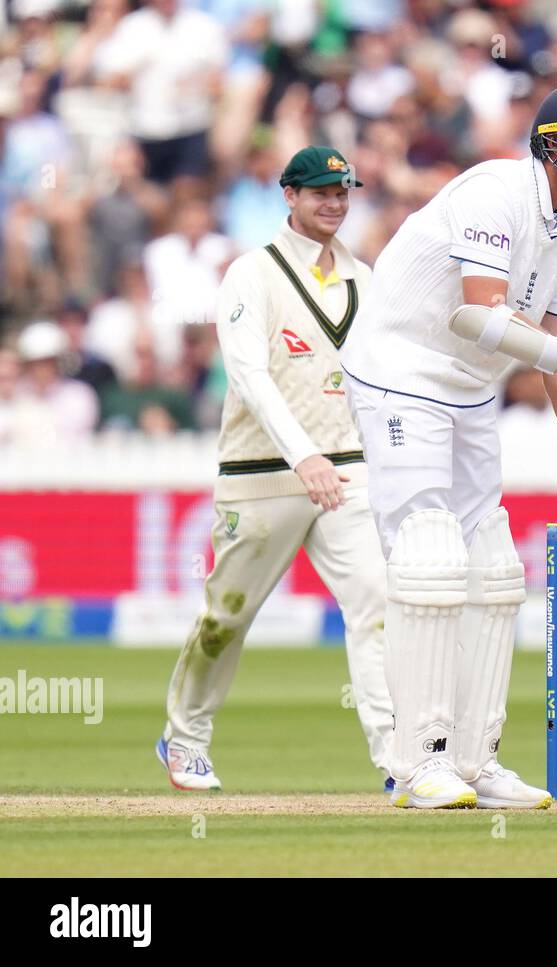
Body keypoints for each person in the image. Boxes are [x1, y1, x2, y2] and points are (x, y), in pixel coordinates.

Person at [341, 82, 557, 810]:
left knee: (492, 568)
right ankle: (416, 760)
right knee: (430, 556)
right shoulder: (495, 191)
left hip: (467, 391)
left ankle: (472, 759)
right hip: (400, 373)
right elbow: (476, 313)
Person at [158, 147, 392, 792]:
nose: (334, 204)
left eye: (343, 193)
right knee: (226, 616)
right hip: (261, 471)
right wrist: (303, 455)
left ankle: (398, 759)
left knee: (377, 602)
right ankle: (185, 738)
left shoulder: (364, 278)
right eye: (320, 193)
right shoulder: (250, 274)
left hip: (348, 470)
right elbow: (249, 375)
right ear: (288, 195)